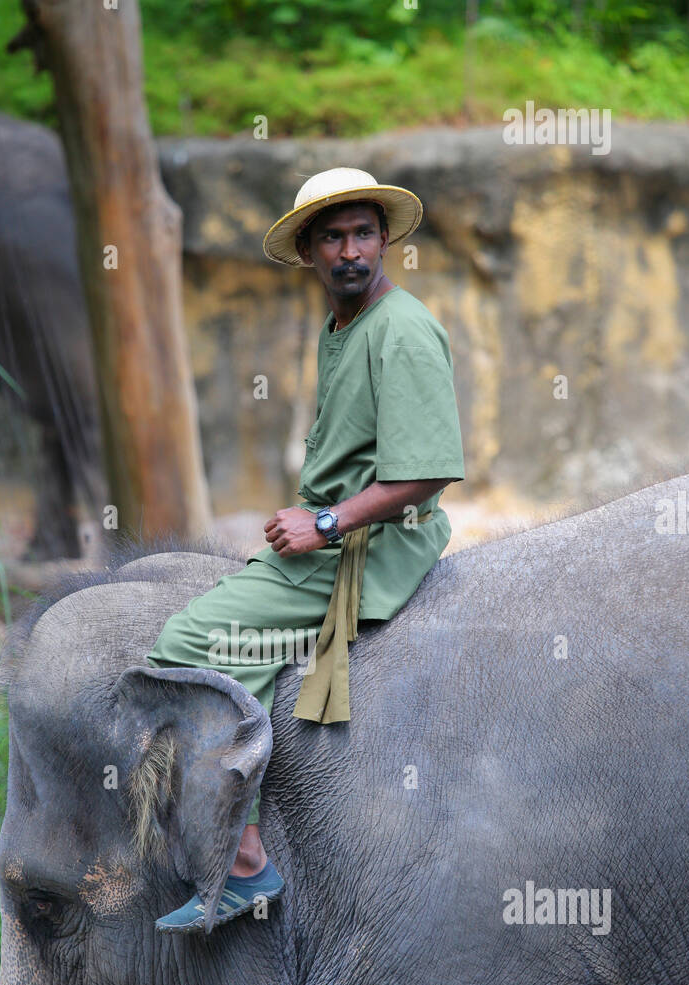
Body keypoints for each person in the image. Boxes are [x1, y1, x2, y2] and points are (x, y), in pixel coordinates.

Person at [148, 167, 465, 932]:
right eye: (333, 237)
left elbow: (427, 471)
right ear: (308, 251)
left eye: (362, 234)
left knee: (186, 640)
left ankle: (246, 862)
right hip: (338, 534)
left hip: (369, 548)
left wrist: (324, 525)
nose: (350, 251)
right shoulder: (343, 327)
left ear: (384, 240)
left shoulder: (402, 328)